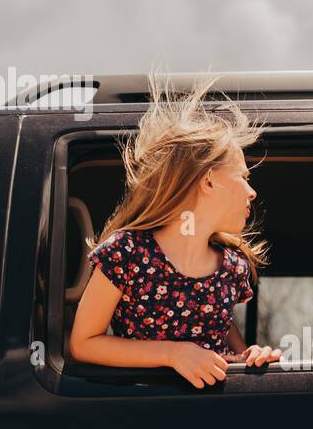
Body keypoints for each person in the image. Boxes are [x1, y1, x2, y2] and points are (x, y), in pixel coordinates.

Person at [70, 71, 280, 388]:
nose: (252, 192)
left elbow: (231, 355)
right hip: (143, 416)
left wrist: (254, 356)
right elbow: (84, 343)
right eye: (243, 177)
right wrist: (172, 354)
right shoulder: (126, 253)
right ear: (208, 180)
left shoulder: (231, 267)